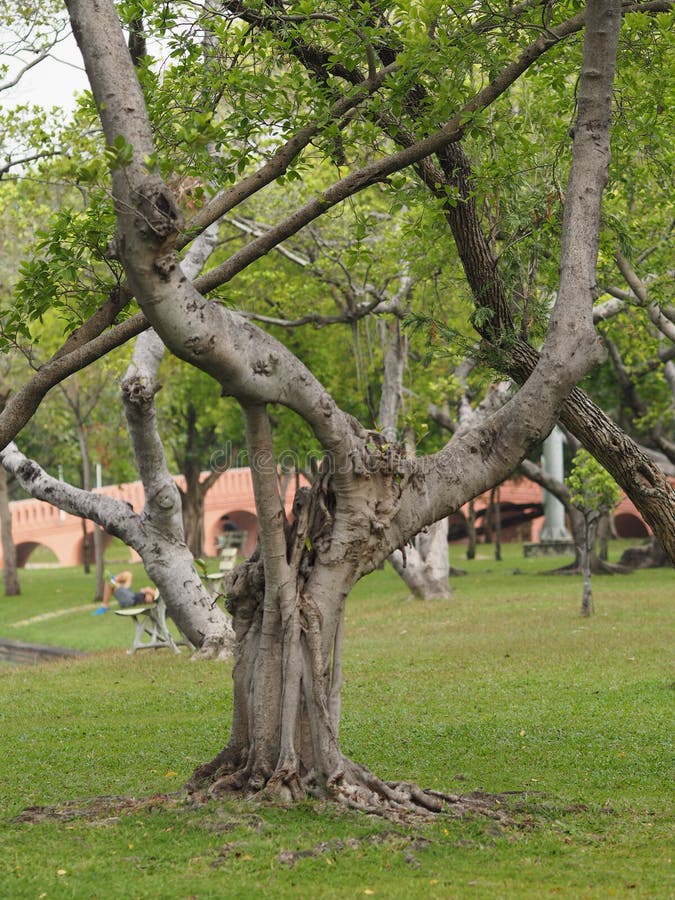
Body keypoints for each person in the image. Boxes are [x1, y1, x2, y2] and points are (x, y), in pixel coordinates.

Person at [93, 571, 157, 616]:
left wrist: (147, 590)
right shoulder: (156, 594)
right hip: (130, 595)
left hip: (130, 600)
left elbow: (149, 590)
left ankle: (104, 606)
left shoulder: (160, 596)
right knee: (128, 574)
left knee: (109, 583)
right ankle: (115, 580)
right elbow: (147, 591)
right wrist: (147, 592)